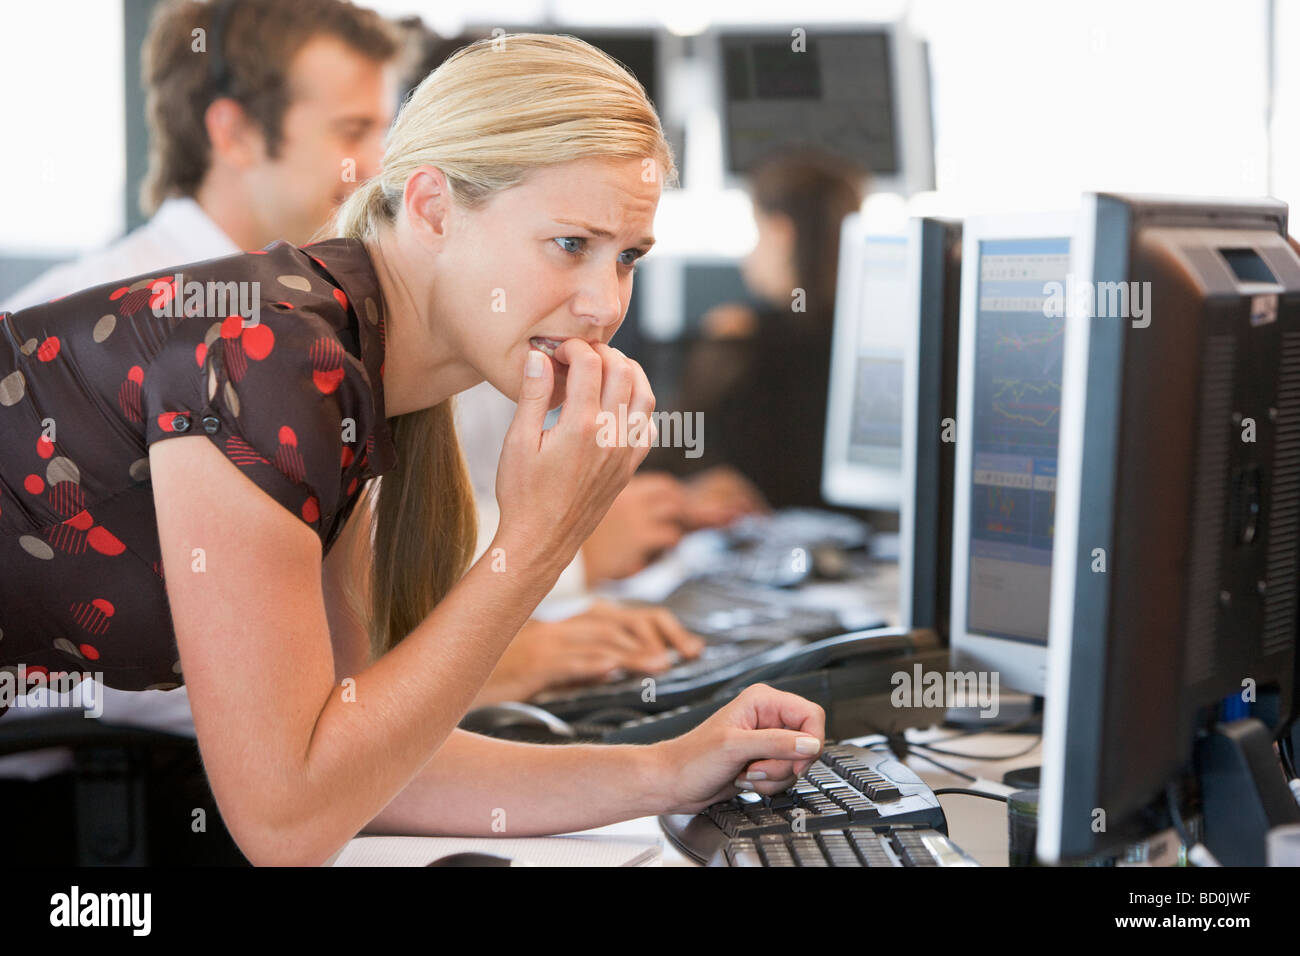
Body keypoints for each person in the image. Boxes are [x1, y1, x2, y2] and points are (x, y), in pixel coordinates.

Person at [0, 33, 825, 866]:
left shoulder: (350, 372)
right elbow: (286, 821)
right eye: (572, 244)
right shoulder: (273, 359)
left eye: (629, 258)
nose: (603, 305)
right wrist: (537, 541)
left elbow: (355, 766)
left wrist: (669, 772)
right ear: (432, 208)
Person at [644, 148, 869, 510]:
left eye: (757, 230)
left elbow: (669, 449)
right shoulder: (869, 339)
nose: (750, 255)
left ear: (781, 233)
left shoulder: (738, 337)